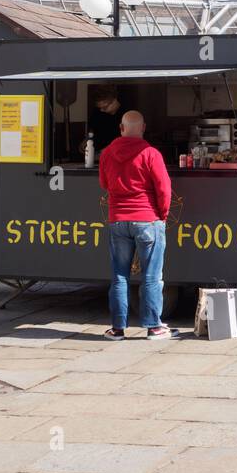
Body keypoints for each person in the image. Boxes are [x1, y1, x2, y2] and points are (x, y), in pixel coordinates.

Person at [98, 109, 176, 340]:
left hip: (118, 220)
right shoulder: (151, 153)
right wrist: (162, 215)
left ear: (121, 128)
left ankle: (117, 329)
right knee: (152, 276)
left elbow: (104, 183)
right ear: (143, 128)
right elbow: (164, 188)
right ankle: (154, 327)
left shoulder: (107, 153)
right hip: (147, 219)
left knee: (119, 276)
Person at [87, 86, 123, 154]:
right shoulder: (97, 112)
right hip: (96, 152)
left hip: (117, 154)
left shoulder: (126, 115)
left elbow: (126, 140)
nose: (102, 110)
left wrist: (107, 150)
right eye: (99, 107)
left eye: (105, 107)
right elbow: (92, 129)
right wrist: (87, 141)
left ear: (115, 100)